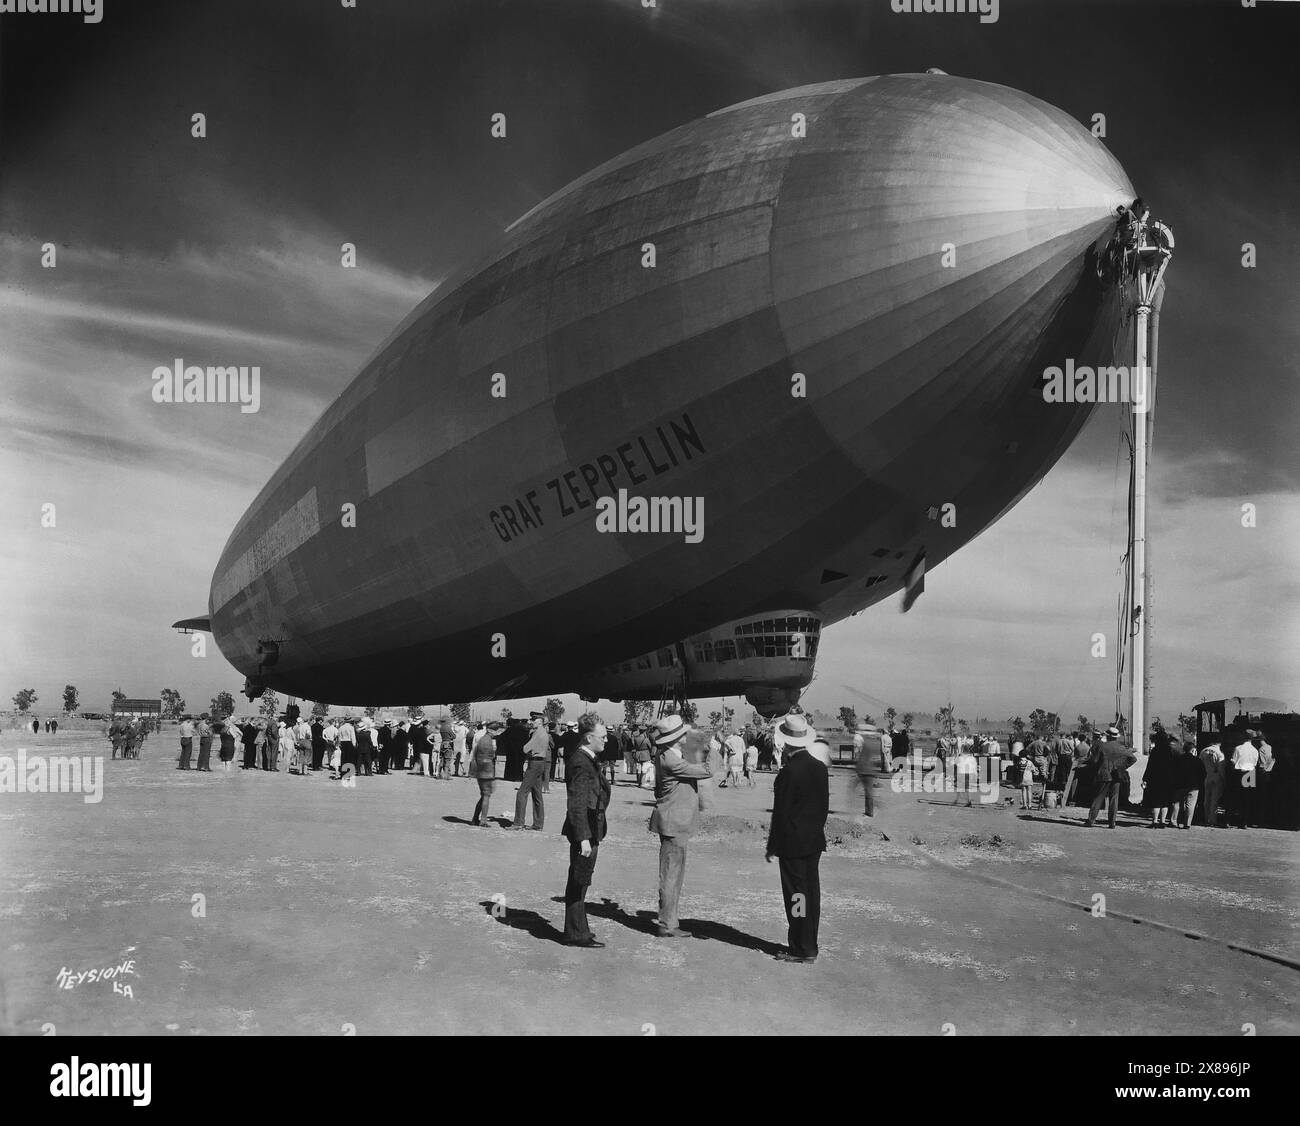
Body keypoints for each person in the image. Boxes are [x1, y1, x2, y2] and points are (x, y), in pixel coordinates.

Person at [765, 714, 829, 963]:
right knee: (811, 894)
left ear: (785, 743)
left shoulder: (788, 772)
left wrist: (772, 845)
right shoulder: (819, 769)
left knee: (796, 897)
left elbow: (780, 814)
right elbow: (823, 808)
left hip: (792, 844)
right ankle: (809, 942)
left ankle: (800, 947)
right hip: (813, 842)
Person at [647, 714, 714, 938]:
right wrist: (712, 746)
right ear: (677, 737)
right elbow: (706, 770)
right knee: (671, 875)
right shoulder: (672, 760)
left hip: (674, 821)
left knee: (673, 874)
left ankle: (669, 921)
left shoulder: (670, 754)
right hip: (674, 822)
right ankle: (667, 924)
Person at [560, 713, 611, 947]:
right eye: (603, 737)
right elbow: (577, 804)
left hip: (591, 828)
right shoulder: (581, 761)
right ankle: (575, 933)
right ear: (590, 737)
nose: (606, 740)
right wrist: (583, 839)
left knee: (581, 881)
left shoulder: (587, 758)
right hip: (586, 830)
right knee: (579, 881)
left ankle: (578, 930)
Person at [1085, 726, 1137, 829]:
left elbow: (1095, 761)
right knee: (1114, 799)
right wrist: (1122, 767)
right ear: (1116, 737)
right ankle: (1112, 822)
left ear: (1108, 736)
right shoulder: (1121, 747)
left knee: (1099, 797)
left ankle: (1091, 820)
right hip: (1117, 774)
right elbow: (1133, 758)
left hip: (1104, 774)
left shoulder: (1102, 747)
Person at [511, 711, 551, 831]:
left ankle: (518, 823)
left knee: (522, 793)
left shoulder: (537, 733)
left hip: (534, 763)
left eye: (533, 720)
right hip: (541, 763)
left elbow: (525, 748)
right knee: (537, 794)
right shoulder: (544, 732)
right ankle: (538, 824)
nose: (530, 722)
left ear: (539, 722)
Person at [1143, 724, 1178, 827]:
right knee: (1165, 801)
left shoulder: (1155, 751)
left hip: (1155, 779)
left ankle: (1155, 821)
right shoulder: (1170, 751)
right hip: (1168, 779)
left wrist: (1145, 778)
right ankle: (1163, 821)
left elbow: (1150, 766)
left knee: (1156, 801)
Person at [470, 721, 504, 826]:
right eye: (496, 730)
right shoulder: (487, 741)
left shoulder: (484, 740)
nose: (498, 733)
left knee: (484, 795)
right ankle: (483, 820)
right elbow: (487, 759)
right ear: (490, 730)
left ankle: (475, 818)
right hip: (486, 772)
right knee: (486, 795)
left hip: (481, 771)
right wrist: (491, 775)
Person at [1170, 740, 1205, 830]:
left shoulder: (1178, 759)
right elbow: (1203, 773)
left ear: (1184, 749)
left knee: (1176, 803)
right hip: (1193, 785)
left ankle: (1174, 821)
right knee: (1191, 805)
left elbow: (1173, 771)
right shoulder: (1197, 760)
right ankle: (1187, 823)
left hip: (1179, 784)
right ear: (1193, 750)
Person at [1230, 730, 1261, 829]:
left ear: (1243, 737)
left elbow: (1233, 762)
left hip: (1240, 772)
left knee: (1237, 797)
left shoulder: (1238, 748)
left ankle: (1235, 819)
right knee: (1248, 798)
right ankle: (1245, 821)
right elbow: (1255, 764)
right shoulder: (1255, 750)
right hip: (1250, 773)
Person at [1198, 740, 1225, 827]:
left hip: (1207, 776)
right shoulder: (1220, 753)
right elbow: (1221, 768)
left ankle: (1206, 817)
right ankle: (1212, 819)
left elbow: (1200, 764)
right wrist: (1224, 778)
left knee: (1206, 799)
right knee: (1214, 799)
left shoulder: (1203, 751)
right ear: (1219, 743)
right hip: (1216, 776)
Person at [337, 716, 358, 781]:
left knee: (343, 758)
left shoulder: (341, 727)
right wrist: (354, 745)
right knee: (349, 759)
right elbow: (353, 737)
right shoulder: (351, 727)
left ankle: (343, 773)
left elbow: (339, 737)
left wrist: (339, 744)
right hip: (349, 743)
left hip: (343, 743)